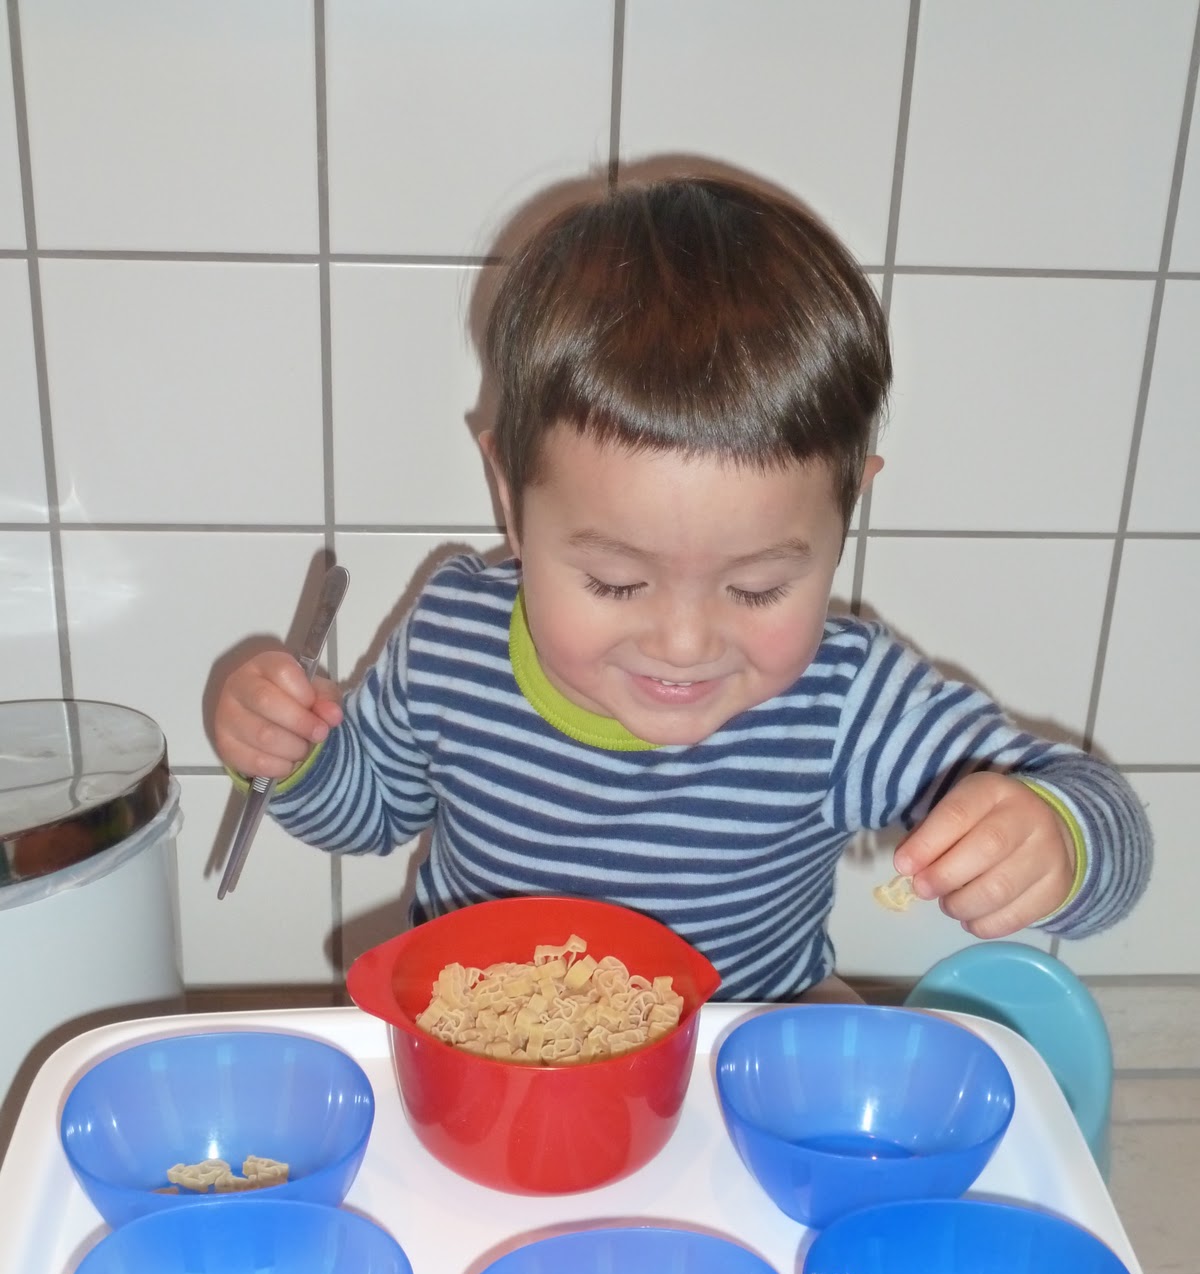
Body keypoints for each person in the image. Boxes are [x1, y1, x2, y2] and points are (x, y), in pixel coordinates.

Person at [213, 175, 1151, 1001]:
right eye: (616, 582)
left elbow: (1103, 821)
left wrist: (1056, 836)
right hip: (490, 1061)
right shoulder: (453, 634)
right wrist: (290, 752)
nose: (684, 643)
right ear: (510, 498)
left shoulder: (845, 700)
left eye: (755, 589)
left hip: (730, 1062)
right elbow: (371, 810)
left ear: (843, 515)